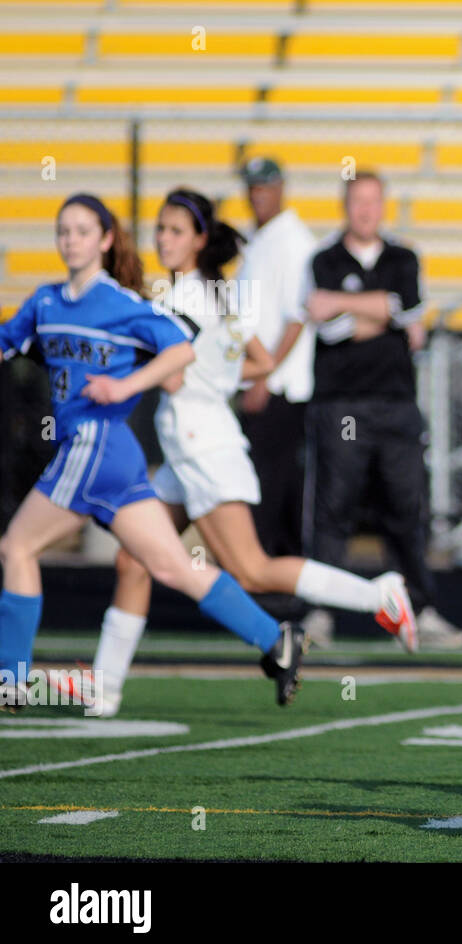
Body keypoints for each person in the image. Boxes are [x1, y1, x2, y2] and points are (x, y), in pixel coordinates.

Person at [81, 189, 418, 718]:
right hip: (188, 447)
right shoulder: (210, 294)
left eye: (174, 231)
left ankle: (380, 595)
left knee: (253, 569)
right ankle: (106, 688)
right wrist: (212, 378)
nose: (163, 239)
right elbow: (258, 361)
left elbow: (173, 379)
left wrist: (156, 369)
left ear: (198, 240)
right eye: (160, 230)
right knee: (135, 558)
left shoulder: (182, 300)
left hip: (202, 448)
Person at [0, 194, 306, 711]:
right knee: (169, 566)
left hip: (95, 445)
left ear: (105, 240)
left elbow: (180, 350)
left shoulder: (121, 303)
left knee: (16, 547)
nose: (70, 240)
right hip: (113, 460)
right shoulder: (45, 302)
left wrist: (124, 388)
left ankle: (11, 679)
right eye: (63, 231)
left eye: (81, 231)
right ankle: (275, 639)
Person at [300, 171, 462, 649]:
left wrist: (350, 305)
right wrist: (384, 313)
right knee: (334, 511)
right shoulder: (324, 259)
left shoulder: (403, 257)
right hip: (341, 407)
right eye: (358, 201)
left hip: (396, 405)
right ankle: (320, 612)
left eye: (374, 201)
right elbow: (333, 328)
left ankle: (419, 609)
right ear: (345, 205)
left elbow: (406, 312)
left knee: (406, 509)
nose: (366, 210)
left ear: (384, 205)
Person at [236, 157, 316, 559]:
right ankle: (272, 579)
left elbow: (296, 317)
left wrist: (264, 377)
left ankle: (268, 577)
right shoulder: (263, 239)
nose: (257, 195)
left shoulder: (293, 242)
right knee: (270, 488)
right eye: (252, 186)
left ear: (282, 187)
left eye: (265, 186)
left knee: (271, 488)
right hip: (262, 380)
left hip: (280, 388)